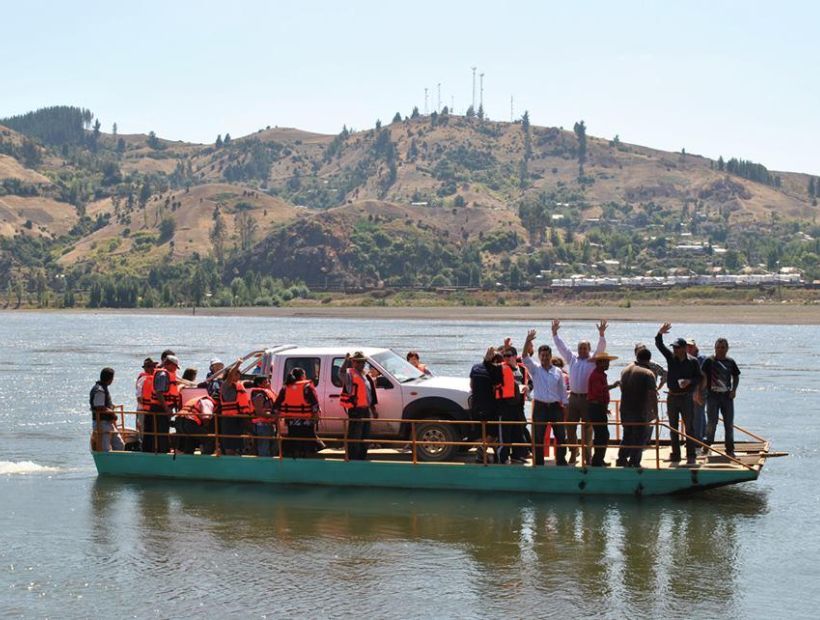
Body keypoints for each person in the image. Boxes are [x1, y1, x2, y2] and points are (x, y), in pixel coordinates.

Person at [552, 319, 608, 463]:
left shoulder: (593, 360)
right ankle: (573, 450)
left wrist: (601, 334)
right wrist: (555, 334)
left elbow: (601, 348)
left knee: (587, 429)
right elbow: (562, 348)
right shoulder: (572, 359)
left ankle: (587, 456)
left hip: (587, 399)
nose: (582, 350)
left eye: (585, 348)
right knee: (570, 427)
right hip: (574, 398)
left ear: (589, 349)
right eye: (580, 348)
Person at [655, 324, 704, 465]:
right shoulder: (671, 358)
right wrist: (660, 333)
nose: (674, 350)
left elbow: (699, 377)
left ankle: (691, 455)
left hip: (686, 397)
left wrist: (690, 382)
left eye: (677, 348)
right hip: (672, 397)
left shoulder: (693, 362)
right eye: (674, 347)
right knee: (672, 427)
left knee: (689, 427)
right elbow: (659, 345)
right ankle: (675, 454)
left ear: (683, 349)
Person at [522, 330, 569, 466]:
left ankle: (561, 461)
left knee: (560, 435)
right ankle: (539, 462)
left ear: (550, 356)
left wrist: (565, 405)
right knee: (538, 437)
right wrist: (527, 340)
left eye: (547, 355)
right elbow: (524, 356)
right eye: (542, 355)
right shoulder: (535, 369)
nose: (544, 358)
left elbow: (562, 390)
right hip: (540, 406)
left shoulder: (558, 371)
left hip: (555, 407)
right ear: (539, 356)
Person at [616, 348, 658, 468]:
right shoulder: (648, 373)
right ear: (649, 359)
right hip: (639, 411)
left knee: (627, 435)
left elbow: (622, 388)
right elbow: (652, 395)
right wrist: (655, 412)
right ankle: (634, 462)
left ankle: (621, 459)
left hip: (624, 409)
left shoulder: (625, 370)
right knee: (640, 437)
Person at [700, 338, 741, 457]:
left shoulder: (730, 361)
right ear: (715, 348)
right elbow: (702, 376)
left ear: (727, 349)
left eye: (723, 347)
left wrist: (734, 390)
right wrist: (700, 392)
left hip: (727, 397)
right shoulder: (709, 361)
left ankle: (729, 449)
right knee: (712, 423)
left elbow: (736, 376)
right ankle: (707, 445)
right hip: (712, 396)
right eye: (718, 347)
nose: (720, 350)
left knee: (729, 423)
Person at [275, 368, 322, 458]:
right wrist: (316, 415)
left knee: (294, 439)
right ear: (302, 376)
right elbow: (314, 403)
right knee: (307, 440)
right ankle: (305, 456)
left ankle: (295, 456)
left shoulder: (285, 387)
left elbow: (278, 403)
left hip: (291, 421)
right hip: (306, 421)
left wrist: (275, 415)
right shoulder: (307, 387)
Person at [340, 351, 378, 460]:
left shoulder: (365, 376)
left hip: (366, 410)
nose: (361, 364)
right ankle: (353, 459)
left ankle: (362, 457)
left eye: (363, 362)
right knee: (354, 436)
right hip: (356, 410)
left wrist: (373, 410)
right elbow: (341, 373)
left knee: (365, 436)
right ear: (353, 362)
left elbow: (369, 394)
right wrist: (346, 361)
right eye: (358, 362)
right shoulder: (349, 376)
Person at [587, 352, 620, 466]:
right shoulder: (596, 375)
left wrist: (605, 407)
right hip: (596, 408)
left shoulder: (600, 374)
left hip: (599, 407)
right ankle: (597, 460)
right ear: (600, 363)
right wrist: (614, 385)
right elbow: (599, 391)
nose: (608, 364)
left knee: (602, 434)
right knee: (602, 435)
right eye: (606, 362)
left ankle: (598, 459)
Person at [144, 354, 181, 453]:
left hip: (162, 408)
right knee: (161, 431)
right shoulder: (163, 375)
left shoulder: (166, 373)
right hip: (159, 408)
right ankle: (162, 451)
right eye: (175, 367)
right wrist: (167, 409)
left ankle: (159, 449)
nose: (175, 369)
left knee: (161, 431)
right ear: (169, 364)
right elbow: (159, 393)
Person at [469, 352, 499, 463]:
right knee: (493, 432)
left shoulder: (475, 367)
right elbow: (495, 388)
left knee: (480, 431)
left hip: (476, 404)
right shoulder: (493, 370)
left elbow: (471, 385)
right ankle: (482, 450)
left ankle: (481, 455)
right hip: (489, 406)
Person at [218, 363, 253, 455]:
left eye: (239, 374)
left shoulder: (238, 385)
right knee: (230, 445)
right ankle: (230, 460)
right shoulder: (226, 385)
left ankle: (239, 456)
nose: (238, 376)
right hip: (229, 419)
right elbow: (230, 376)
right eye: (236, 374)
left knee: (240, 442)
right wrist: (238, 364)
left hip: (239, 418)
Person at [90, 367, 124, 452]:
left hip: (108, 422)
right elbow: (99, 407)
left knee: (119, 444)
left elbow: (103, 404)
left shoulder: (103, 388)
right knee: (105, 449)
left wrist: (111, 406)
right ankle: (109, 463)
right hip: (101, 423)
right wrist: (112, 413)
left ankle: (117, 463)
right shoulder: (99, 390)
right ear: (110, 379)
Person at [250, 376, 279, 457]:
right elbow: (259, 412)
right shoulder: (258, 395)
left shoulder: (267, 393)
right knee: (264, 447)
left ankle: (269, 464)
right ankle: (264, 465)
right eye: (266, 382)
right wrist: (274, 416)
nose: (268, 384)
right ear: (259, 384)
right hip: (261, 425)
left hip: (269, 424)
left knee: (272, 447)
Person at [686, 339, 708, 442]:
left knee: (697, 414)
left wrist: (698, 392)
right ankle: (702, 436)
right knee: (699, 413)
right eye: (687, 346)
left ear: (695, 347)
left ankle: (698, 439)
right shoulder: (688, 359)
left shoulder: (700, 359)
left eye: (691, 346)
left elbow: (703, 377)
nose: (688, 348)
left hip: (701, 389)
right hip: (692, 390)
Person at [135, 357, 157, 441]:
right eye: (150, 366)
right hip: (143, 409)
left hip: (151, 409)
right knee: (143, 429)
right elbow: (139, 396)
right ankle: (142, 444)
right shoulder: (143, 379)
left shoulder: (154, 378)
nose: (153, 368)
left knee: (151, 429)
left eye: (153, 366)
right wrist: (145, 407)